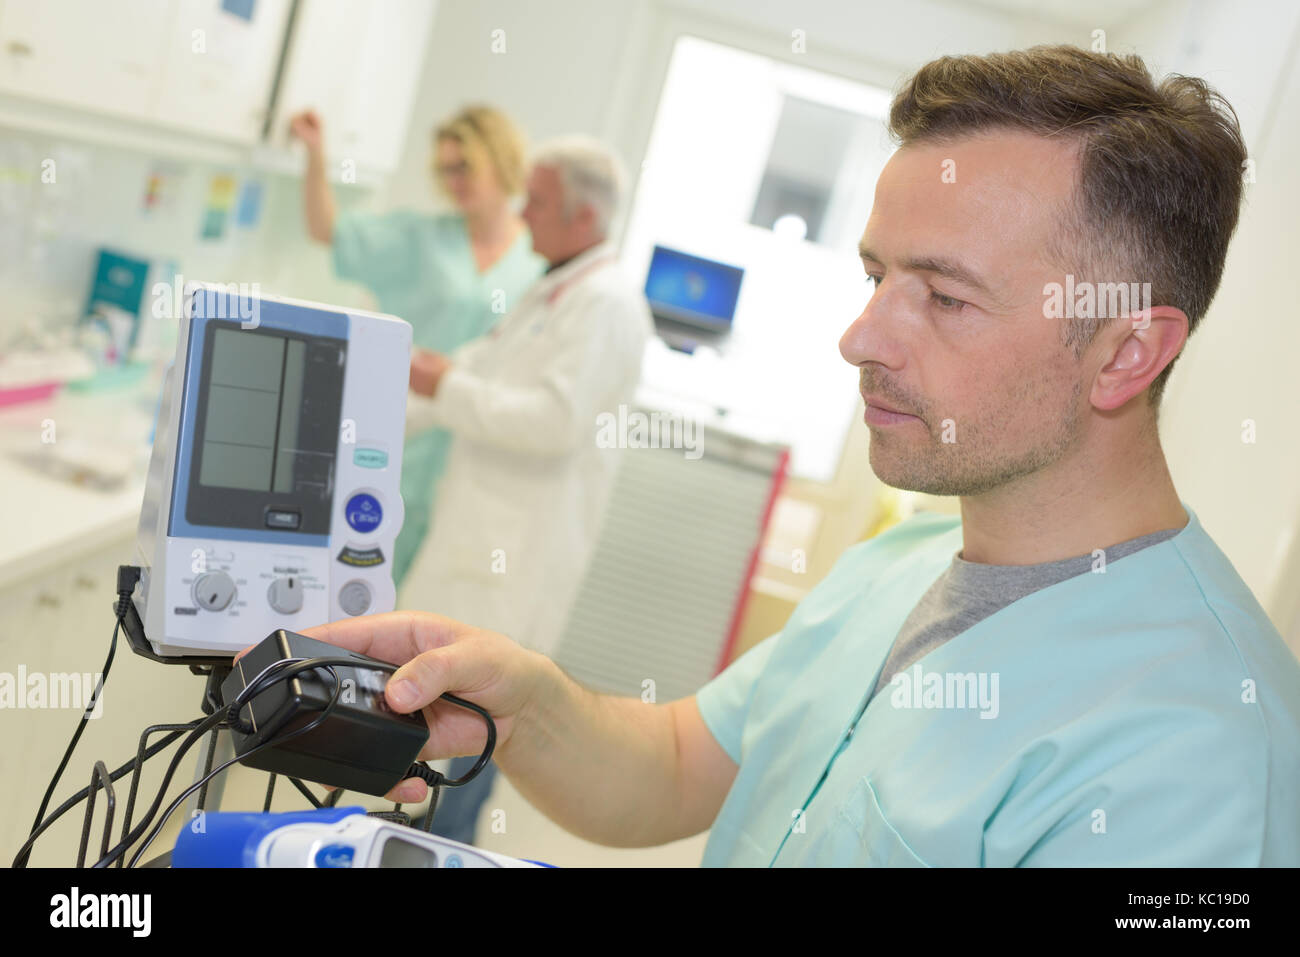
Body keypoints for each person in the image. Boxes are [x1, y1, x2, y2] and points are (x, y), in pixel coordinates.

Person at [296, 47, 1300, 866]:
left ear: (1124, 351)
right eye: (875, 276)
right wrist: (523, 704)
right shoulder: (900, 563)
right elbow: (688, 762)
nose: (860, 337)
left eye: (944, 298)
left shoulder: (1201, 760)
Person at [396, 135, 652, 845]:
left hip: (516, 560)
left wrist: (443, 384)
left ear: (582, 217)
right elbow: (475, 369)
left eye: (534, 200)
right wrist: (384, 414)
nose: (520, 210)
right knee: (434, 725)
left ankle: (445, 854)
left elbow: (551, 421)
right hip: (474, 544)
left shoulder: (607, 304)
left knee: (476, 732)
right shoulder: (555, 286)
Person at [290, 104, 546, 586]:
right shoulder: (421, 239)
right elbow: (329, 230)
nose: (454, 181)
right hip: (397, 436)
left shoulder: (537, 262)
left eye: (465, 166)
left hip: (474, 451)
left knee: (434, 600)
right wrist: (316, 155)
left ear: (500, 159)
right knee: (353, 582)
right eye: (445, 170)